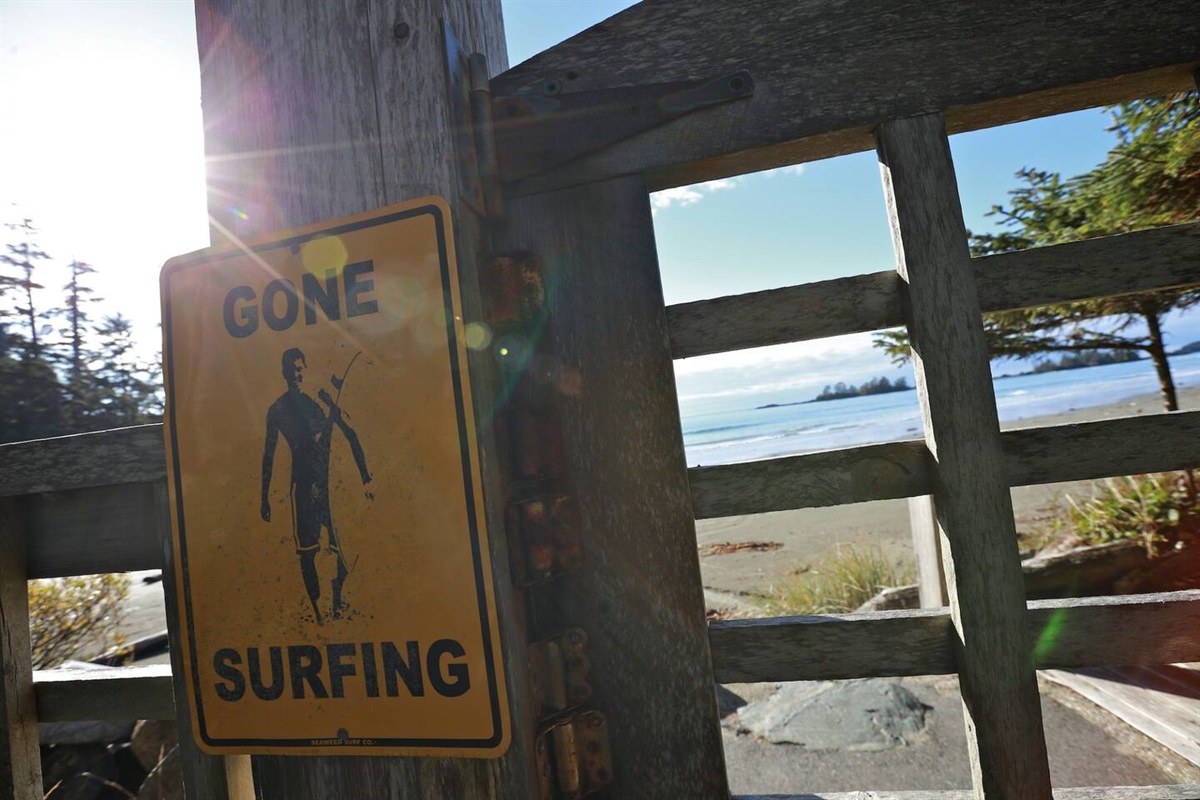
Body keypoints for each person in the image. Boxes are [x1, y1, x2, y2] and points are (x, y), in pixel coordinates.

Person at [260, 347, 371, 623]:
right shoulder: (277, 410)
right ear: (284, 372)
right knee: (308, 553)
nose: (296, 374)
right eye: (291, 370)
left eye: (300, 369)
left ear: (305, 370)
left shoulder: (319, 402)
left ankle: (337, 597)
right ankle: (320, 613)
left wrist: (366, 478)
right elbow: (268, 455)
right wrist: (264, 497)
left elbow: (349, 433)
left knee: (341, 545)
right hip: (302, 485)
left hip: (329, 483)